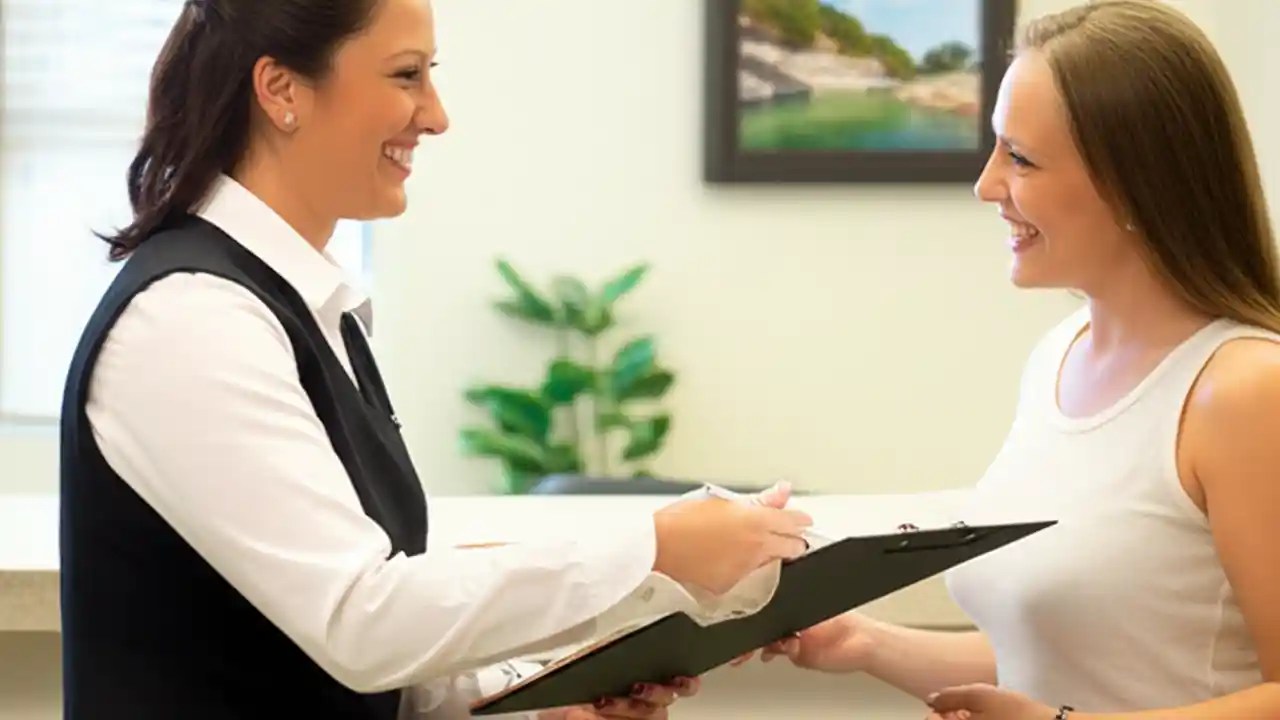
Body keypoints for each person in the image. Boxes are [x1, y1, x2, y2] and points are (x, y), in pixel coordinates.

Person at [56, 1, 814, 719]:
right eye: (406, 74)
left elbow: (350, 651)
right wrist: (657, 550)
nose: (438, 115)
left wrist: (528, 698)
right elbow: (359, 619)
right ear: (281, 89)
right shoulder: (192, 317)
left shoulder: (305, 312)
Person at [735, 1, 1280, 718]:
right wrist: (865, 642)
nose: (986, 185)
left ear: (1135, 182)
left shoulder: (1245, 391)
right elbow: (1064, 647)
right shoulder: (1059, 357)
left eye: (1019, 157)